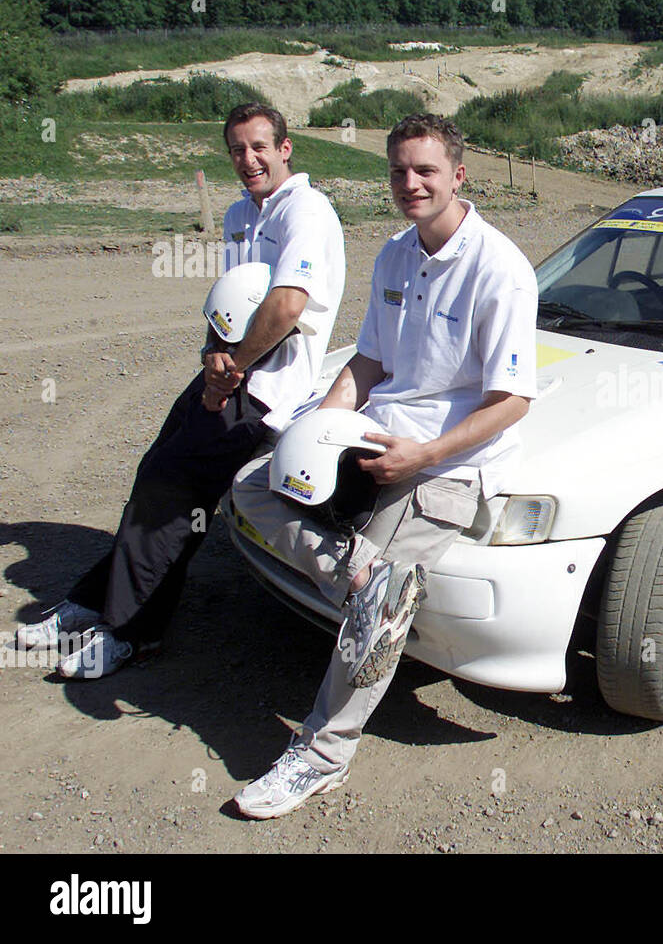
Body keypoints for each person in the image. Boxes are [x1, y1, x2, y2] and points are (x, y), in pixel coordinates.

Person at [228, 114, 538, 819]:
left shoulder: (502, 270)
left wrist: (422, 455)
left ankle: (321, 753)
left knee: (386, 595)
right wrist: (322, 423)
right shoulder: (395, 255)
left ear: (458, 174)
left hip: (449, 462)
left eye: (425, 170)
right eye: (398, 170)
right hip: (378, 433)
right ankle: (356, 572)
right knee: (252, 485)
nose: (409, 183)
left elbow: (512, 400)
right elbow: (368, 362)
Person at [16, 103, 346, 678]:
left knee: (170, 492)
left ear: (285, 148)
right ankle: (97, 600)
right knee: (157, 477)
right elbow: (229, 301)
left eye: (259, 147)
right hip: (229, 373)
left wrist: (233, 369)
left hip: (266, 389)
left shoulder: (308, 212)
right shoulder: (239, 213)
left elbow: (287, 304)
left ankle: (132, 632)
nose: (249, 160)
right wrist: (211, 355)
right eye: (237, 150)